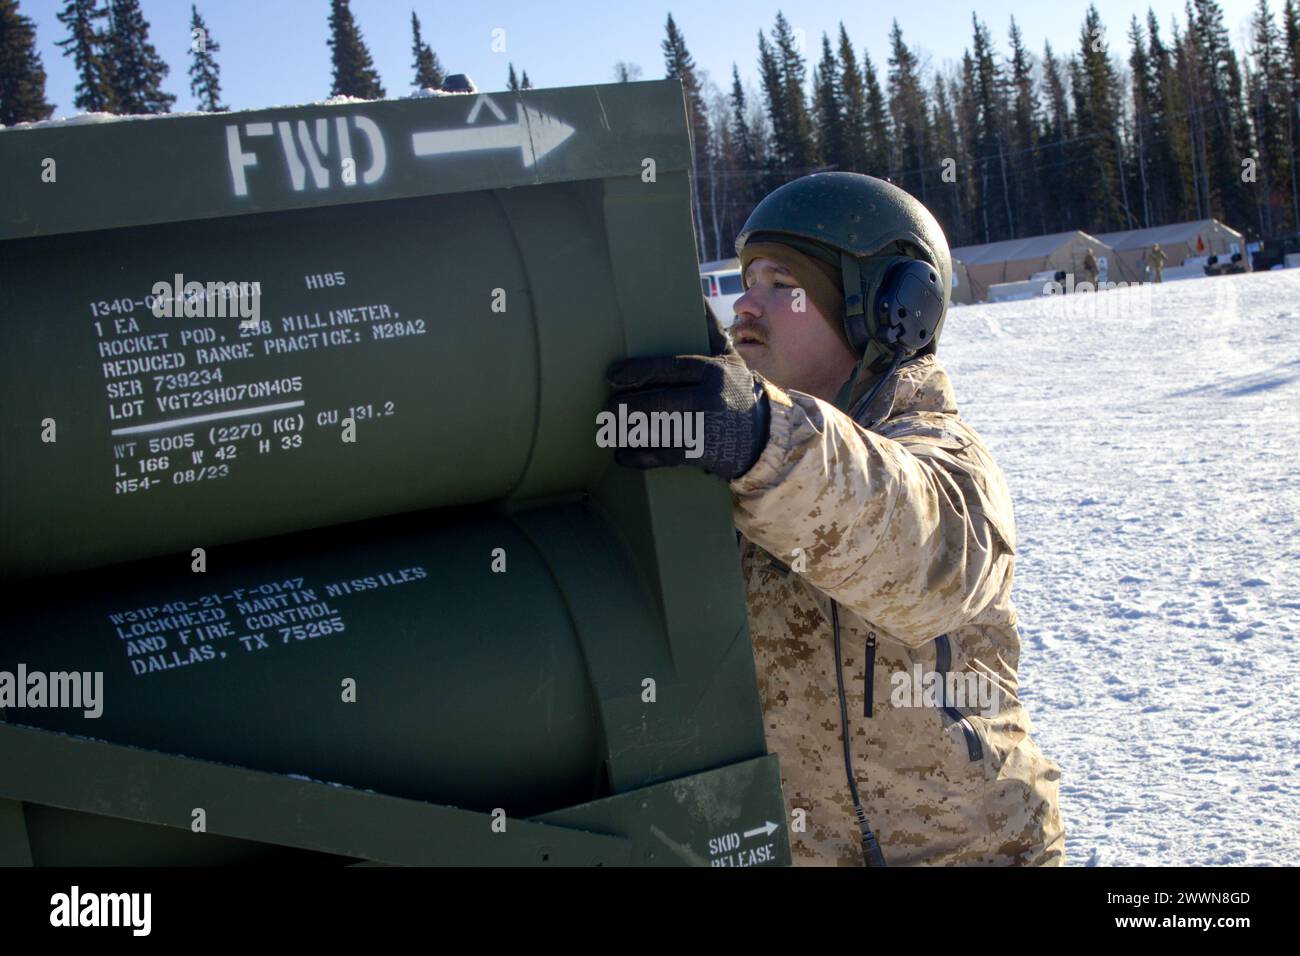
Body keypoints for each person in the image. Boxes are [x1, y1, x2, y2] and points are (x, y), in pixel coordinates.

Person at [604, 172, 1065, 866]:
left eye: (780, 284)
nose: (744, 310)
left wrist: (758, 436)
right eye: (744, 281)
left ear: (885, 308)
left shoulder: (944, 455)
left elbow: (924, 559)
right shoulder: (730, 466)